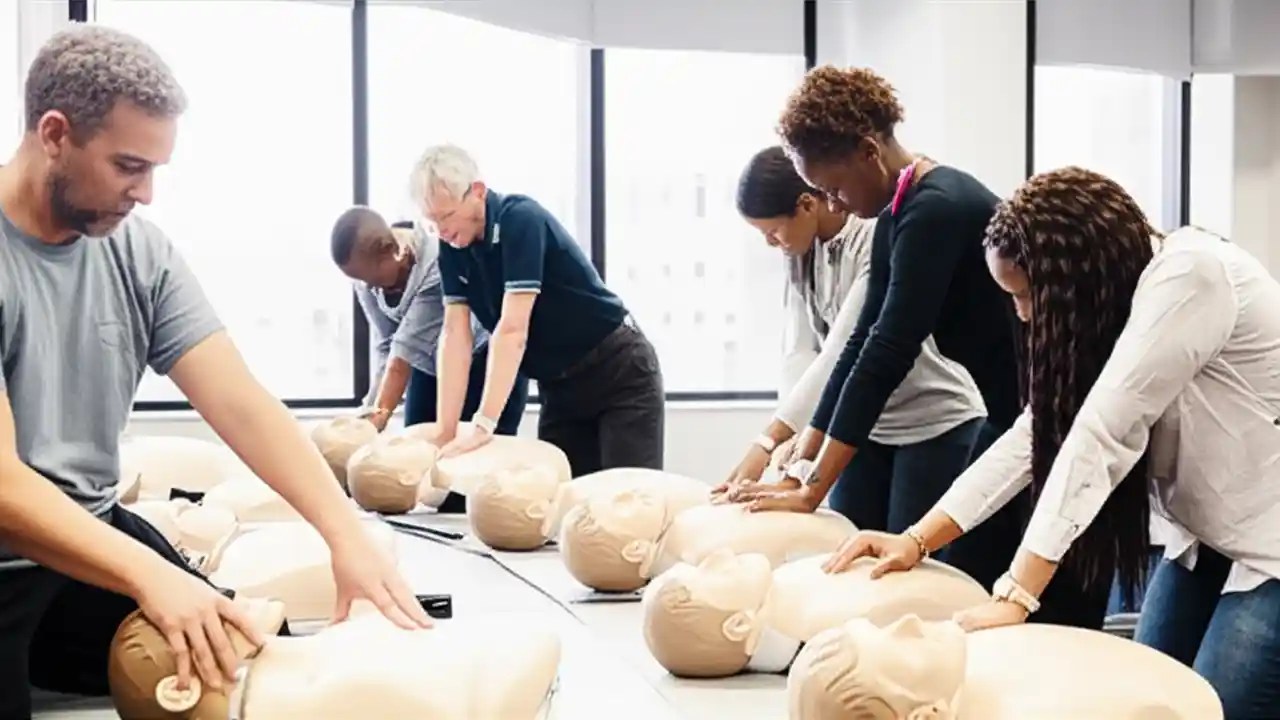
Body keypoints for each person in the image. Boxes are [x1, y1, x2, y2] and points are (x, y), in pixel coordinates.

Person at [0, 26, 429, 718]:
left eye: (155, 170)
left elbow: (240, 402)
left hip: (90, 534)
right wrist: (151, 577)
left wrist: (346, 534)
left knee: (246, 663)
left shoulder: (139, 253)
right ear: (54, 134)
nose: (144, 193)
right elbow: (5, 489)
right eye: (128, 166)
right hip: (10, 551)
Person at [824, 166, 1280, 719]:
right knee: (1145, 698)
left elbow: (1102, 436)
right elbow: (1035, 436)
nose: (1022, 314)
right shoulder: (1113, 314)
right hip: (1205, 540)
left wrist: (1017, 594)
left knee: (1217, 706)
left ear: (1075, 276)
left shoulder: (1191, 276)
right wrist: (917, 539)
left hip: (1270, 544)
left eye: (1026, 294)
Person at [723, 65, 1031, 601]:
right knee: (959, 574)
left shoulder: (938, 208)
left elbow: (889, 351)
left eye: (833, 188)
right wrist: (804, 464)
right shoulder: (898, 214)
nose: (834, 204)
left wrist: (813, 489)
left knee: (965, 581)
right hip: (1010, 416)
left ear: (870, 151)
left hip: (1040, 415)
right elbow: (858, 346)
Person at [713, 146, 989, 539]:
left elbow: (846, 350)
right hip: (861, 424)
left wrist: (769, 440)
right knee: (846, 546)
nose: (772, 244)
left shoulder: (876, 236)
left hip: (932, 425)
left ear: (808, 205)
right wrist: (798, 443)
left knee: (903, 555)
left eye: (773, 231)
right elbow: (800, 352)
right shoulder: (801, 253)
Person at [410, 144, 664, 476]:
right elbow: (454, 335)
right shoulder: (452, 247)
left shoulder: (519, 220)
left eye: (446, 217)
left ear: (477, 192)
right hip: (559, 386)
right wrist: (446, 431)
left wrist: (484, 424)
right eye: (432, 222)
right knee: (563, 506)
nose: (441, 231)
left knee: (624, 503)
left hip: (617, 370)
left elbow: (512, 329)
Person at [329, 207, 528, 437]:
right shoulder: (365, 279)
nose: (369, 287)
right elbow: (387, 346)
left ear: (392, 251)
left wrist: (376, 422)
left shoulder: (435, 262)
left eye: (372, 279)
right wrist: (369, 412)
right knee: (418, 445)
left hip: (485, 358)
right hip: (430, 360)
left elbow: (402, 355)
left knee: (476, 454)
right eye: (361, 281)